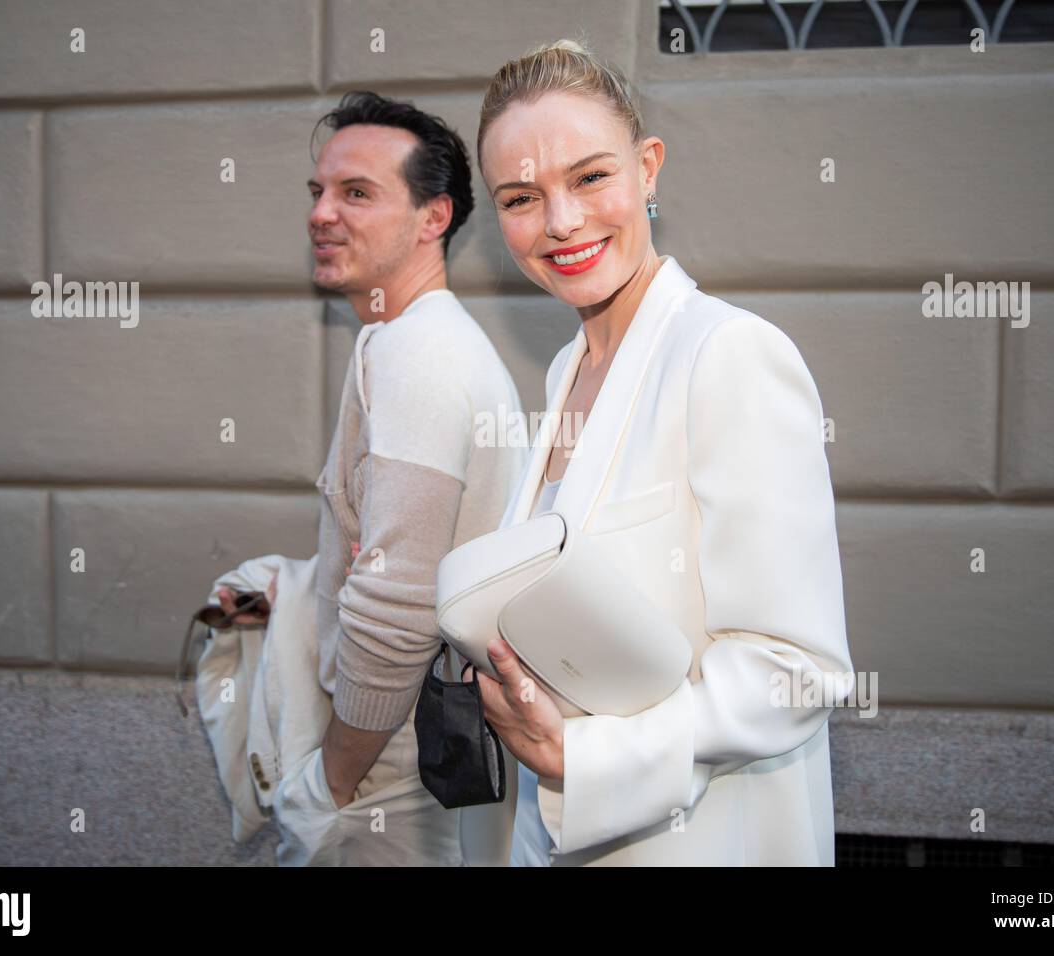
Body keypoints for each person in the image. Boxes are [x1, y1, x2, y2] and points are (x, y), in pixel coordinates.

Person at [463, 39, 856, 866]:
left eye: (590, 177)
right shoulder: (572, 370)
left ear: (648, 168)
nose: (562, 222)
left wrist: (586, 759)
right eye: (522, 197)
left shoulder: (729, 355)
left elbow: (797, 672)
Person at [221, 90, 527, 865]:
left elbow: (396, 609)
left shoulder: (414, 356)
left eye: (357, 193)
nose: (323, 213)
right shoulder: (419, 341)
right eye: (318, 191)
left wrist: (333, 782)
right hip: (413, 752)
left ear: (434, 218)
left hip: (388, 770)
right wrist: (286, 594)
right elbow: (401, 553)